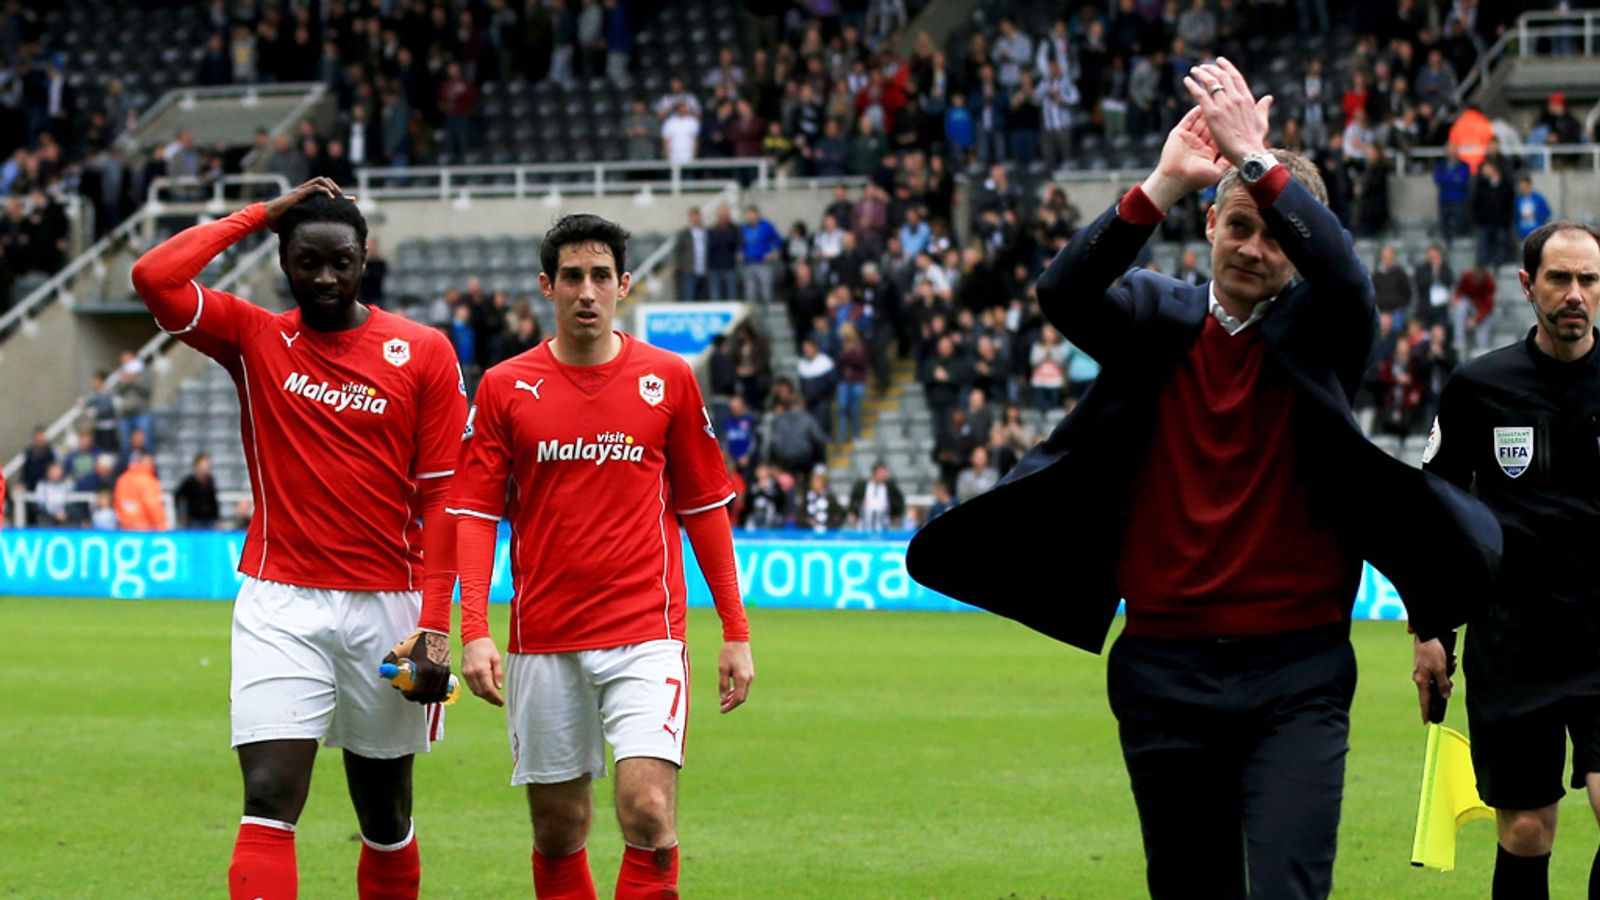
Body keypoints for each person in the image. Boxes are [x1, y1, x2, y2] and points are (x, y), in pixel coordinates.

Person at [907, 60, 1501, 899]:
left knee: (1290, 889)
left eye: (1274, 235)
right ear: (1211, 224)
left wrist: (1256, 159)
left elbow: (1347, 279)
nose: (1253, 249)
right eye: (1238, 226)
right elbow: (1063, 291)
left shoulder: (1323, 335)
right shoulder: (1153, 316)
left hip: (1298, 671)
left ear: (1297, 250)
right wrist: (1162, 183)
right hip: (1161, 669)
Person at [131, 177, 467, 900]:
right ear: (283, 260)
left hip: (392, 608)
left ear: (365, 259)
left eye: (341, 262)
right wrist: (261, 213)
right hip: (279, 602)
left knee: (385, 814)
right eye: (306, 261)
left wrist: (436, 628)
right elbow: (154, 277)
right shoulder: (253, 337)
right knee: (268, 796)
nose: (324, 278)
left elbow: (445, 500)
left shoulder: (425, 352)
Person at [448, 213, 754, 899]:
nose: (586, 291)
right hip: (543, 637)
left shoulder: (668, 379)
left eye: (600, 276)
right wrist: (473, 631)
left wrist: (735, 630)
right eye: (572, 277)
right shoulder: (504, 386)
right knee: (560, 829)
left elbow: (705, 509)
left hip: (645, 632)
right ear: (547, 286)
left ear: (624, 285)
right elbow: (475, 514)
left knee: (647, 808)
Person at [1419, 222, 1600, 900]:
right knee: (1526, 830)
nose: (1575, 293)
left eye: (1588, 279)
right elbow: (1434, 512)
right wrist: (1430, 630)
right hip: (1514, 641)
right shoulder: (1478, 386)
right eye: (1560, 278)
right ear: (1527, 285)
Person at [174, 451, 222, 529]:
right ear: (197, 466)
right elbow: (177, 496)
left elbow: (213, 501)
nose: (206, 467)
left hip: (209, 520)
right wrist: (181, 514)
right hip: (194, 521)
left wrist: (216, 518)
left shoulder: (210, 480)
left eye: (207, 464)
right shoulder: (189, 482)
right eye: (203, 464)